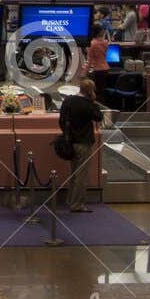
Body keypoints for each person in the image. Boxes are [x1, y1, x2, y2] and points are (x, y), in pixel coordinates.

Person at [59, 79, 104, 213]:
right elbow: (98, 117)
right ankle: (77, 204)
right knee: (81, 176)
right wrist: (94, 102)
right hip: (83, 143)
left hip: (70, 142)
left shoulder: (68, 101)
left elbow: (61, 120)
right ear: (91, 91)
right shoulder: (88, 104)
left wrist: (67, 135)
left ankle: (70, 200)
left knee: (73, 173)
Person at [86, 26, 112, 97]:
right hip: (106, 68)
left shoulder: (92, 44)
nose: (103, 32)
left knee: (96, 91)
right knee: (102, 90)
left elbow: (90, 60)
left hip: (97, 70)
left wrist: (84, 72)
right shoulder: (106, 42)